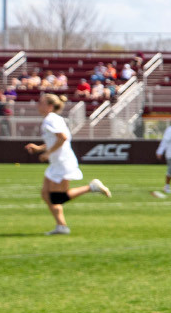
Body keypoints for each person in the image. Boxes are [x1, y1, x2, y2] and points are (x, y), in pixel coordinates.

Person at [25, 93, 109, 234]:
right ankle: (61, 226)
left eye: (42, 103)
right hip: (56, 163)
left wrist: (47, 153)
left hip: (63, 162)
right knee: (46, 194)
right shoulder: (51, 119)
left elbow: (62, 138)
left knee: (58, 198)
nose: (38, 105)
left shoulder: (51, 119)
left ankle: (91, 187)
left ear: (50, 106)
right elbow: (55, 140)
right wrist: (40, 149)